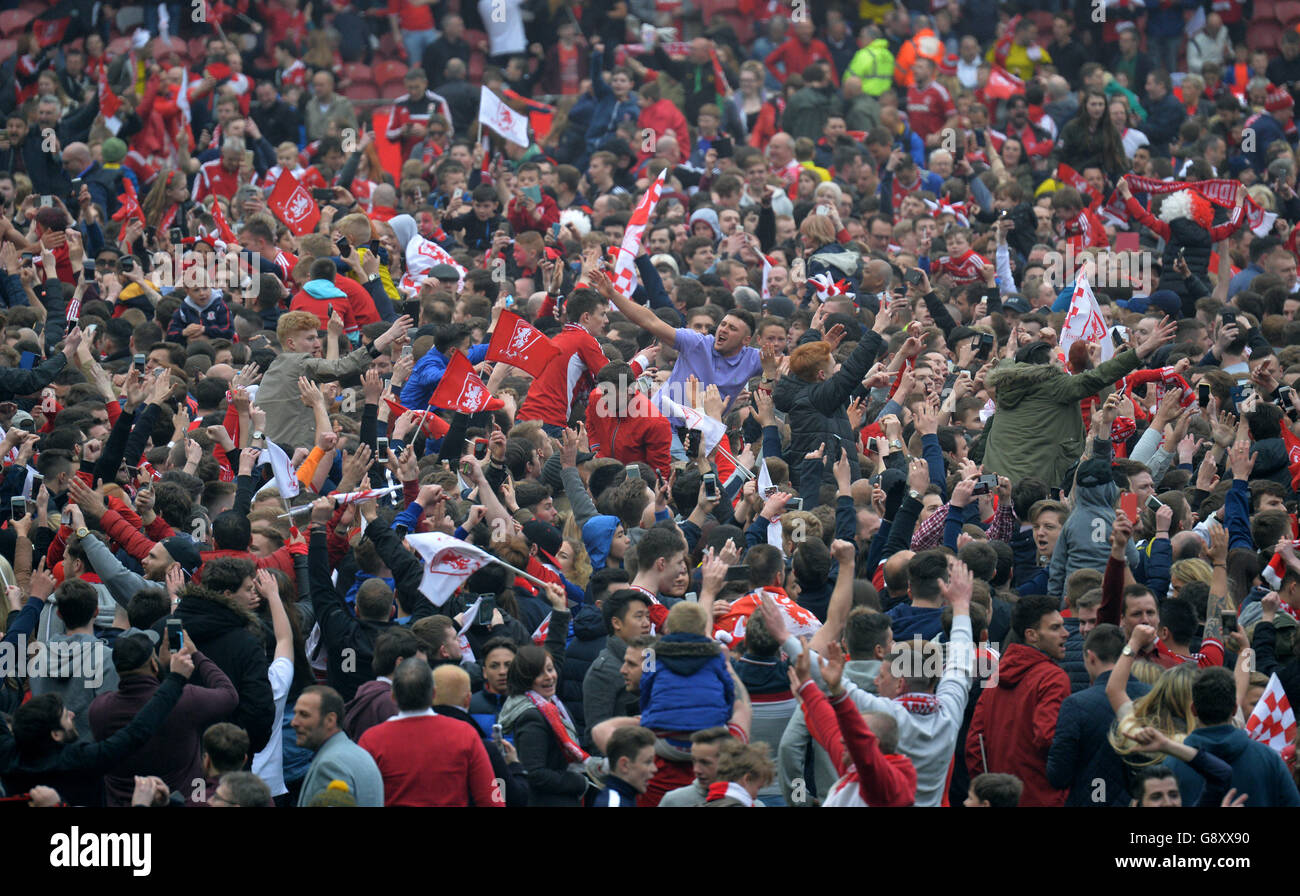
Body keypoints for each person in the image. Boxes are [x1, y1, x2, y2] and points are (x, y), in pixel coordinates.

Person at [965, 595, 1071, 807]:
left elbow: (974, 744)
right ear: (1031, 635)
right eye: (1055, 628)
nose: (1066, 634)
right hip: (1043, 798)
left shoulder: (995, 677)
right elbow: (1048, 738)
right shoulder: (1053, 678)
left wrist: (990, 791)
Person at [358, 658, 500, 807]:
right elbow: (490, 800)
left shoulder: (372, 740)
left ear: (393, 696)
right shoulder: (465, 734)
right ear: (433, 693)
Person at [292, 685, 385, 808]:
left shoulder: (331, 765)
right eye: (295, 713)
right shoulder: (355, 753)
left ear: (330, 720)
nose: (294, 722)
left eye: (304, 715)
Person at [591, 725, 658, 807]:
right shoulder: (614, 803)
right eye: (648, 762)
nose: (654, 769)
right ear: (624, 765)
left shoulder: (627, 798)